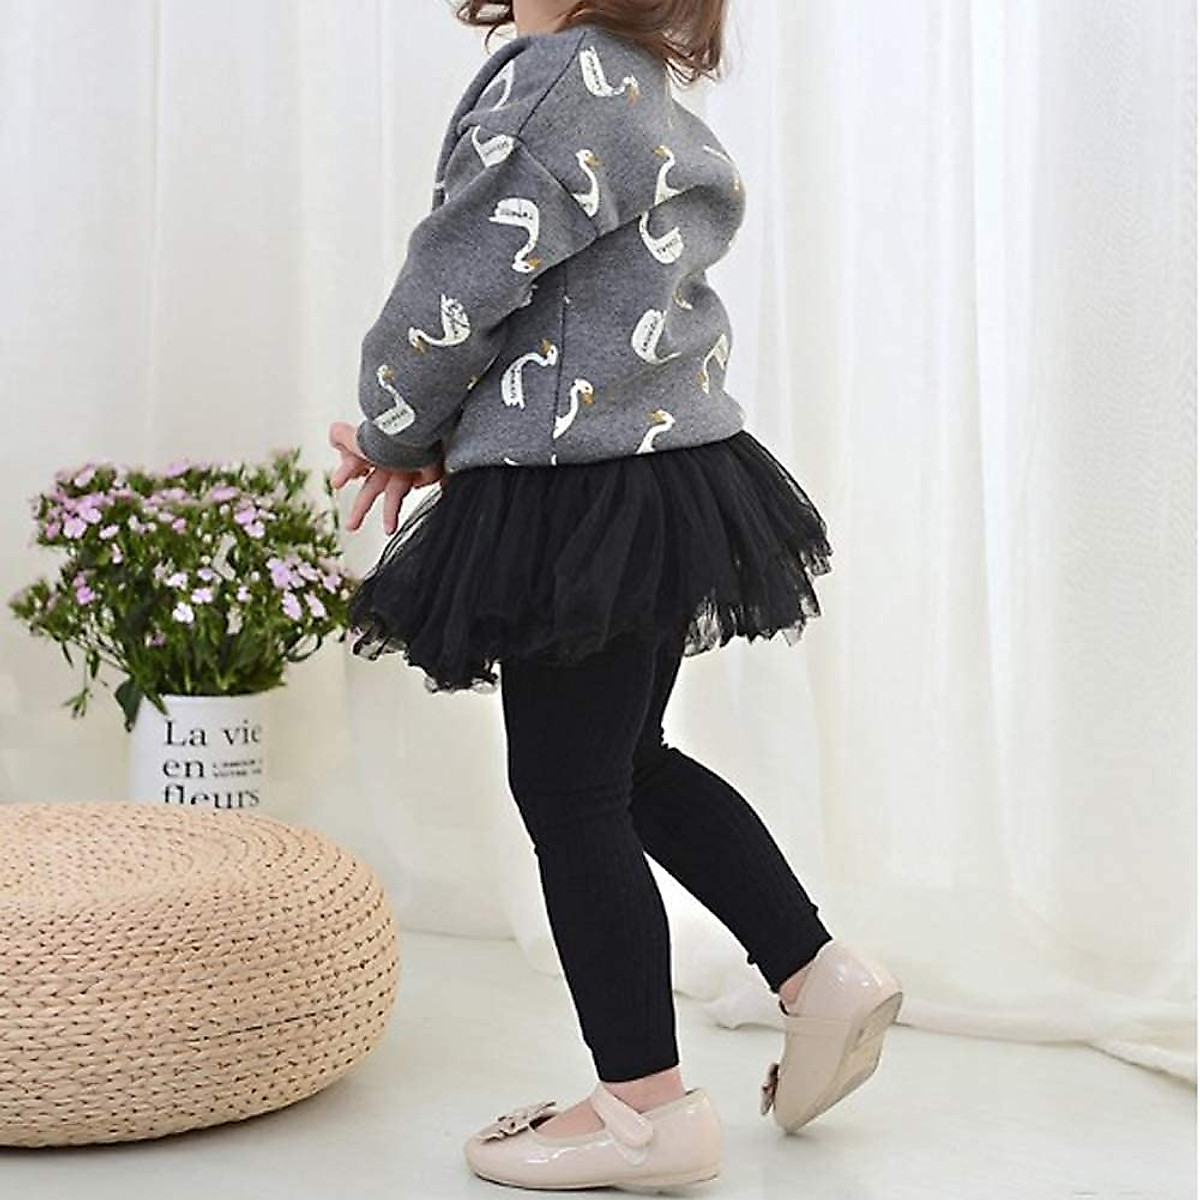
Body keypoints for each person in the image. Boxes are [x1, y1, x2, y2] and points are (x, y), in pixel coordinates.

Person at [328, 0, 902, 1190]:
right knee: (626, 764)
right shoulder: (633, 81)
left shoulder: (549, 80)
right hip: (668, 473)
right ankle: (817, 973)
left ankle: (644, 1107)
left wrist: (394, 427)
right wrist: (452, 437)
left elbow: (455, 282)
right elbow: (579, 297)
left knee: (568, 790)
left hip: (575, 489)